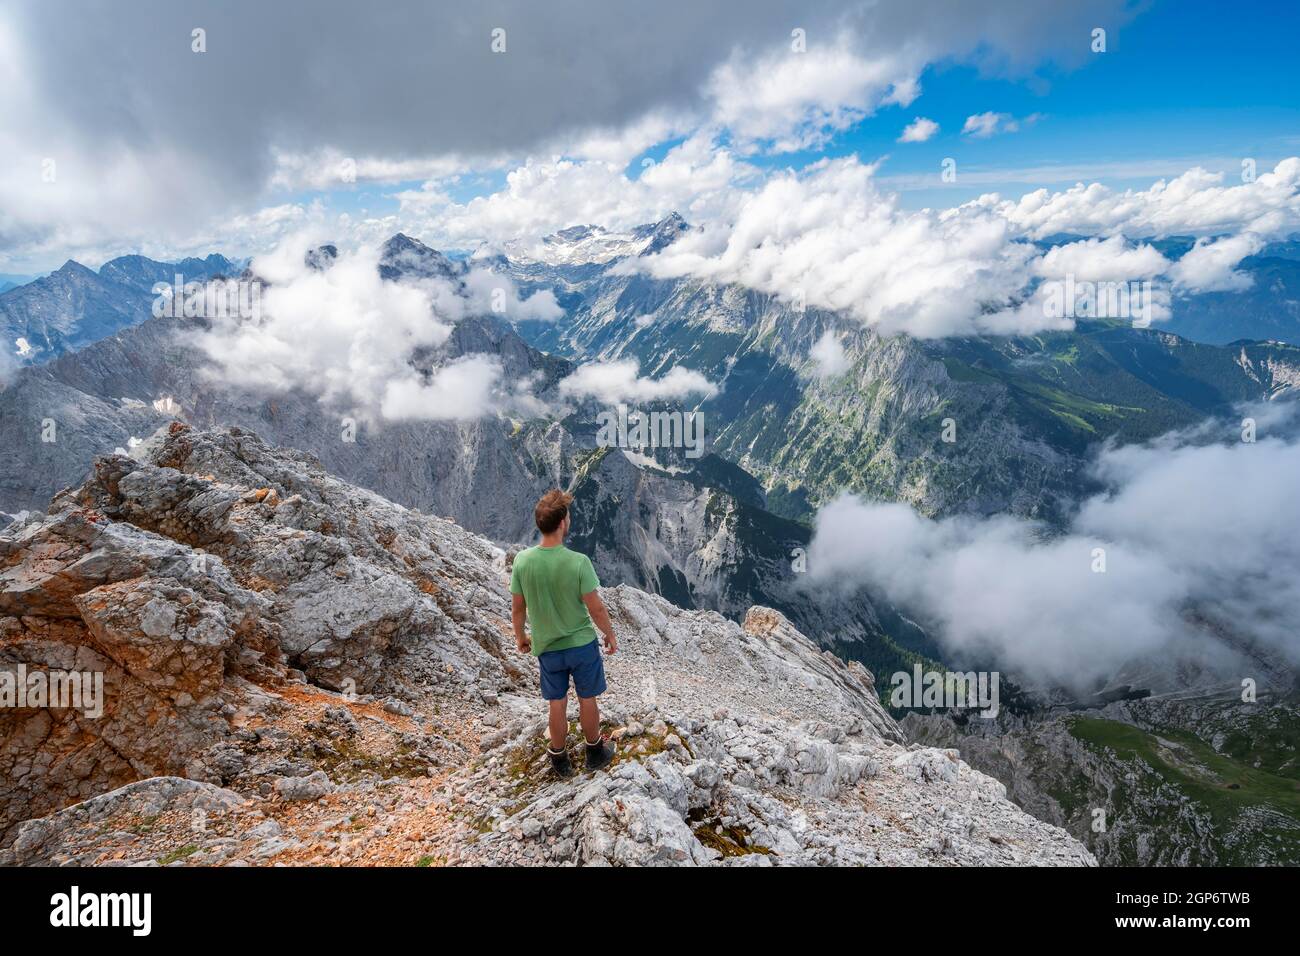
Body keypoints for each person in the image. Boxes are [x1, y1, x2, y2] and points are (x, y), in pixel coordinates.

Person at [510, 489, 618, 776]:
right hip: (581, 644)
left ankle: (559, 758)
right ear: (562, 524)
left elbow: (518, 608)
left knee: (556, 703)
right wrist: (609, 633)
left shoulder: (522, 561)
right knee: (587, 699)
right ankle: (594, 751)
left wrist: (520, 636)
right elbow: (595, 608)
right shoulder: (578, 562)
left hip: (547, 647)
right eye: (567, 516)